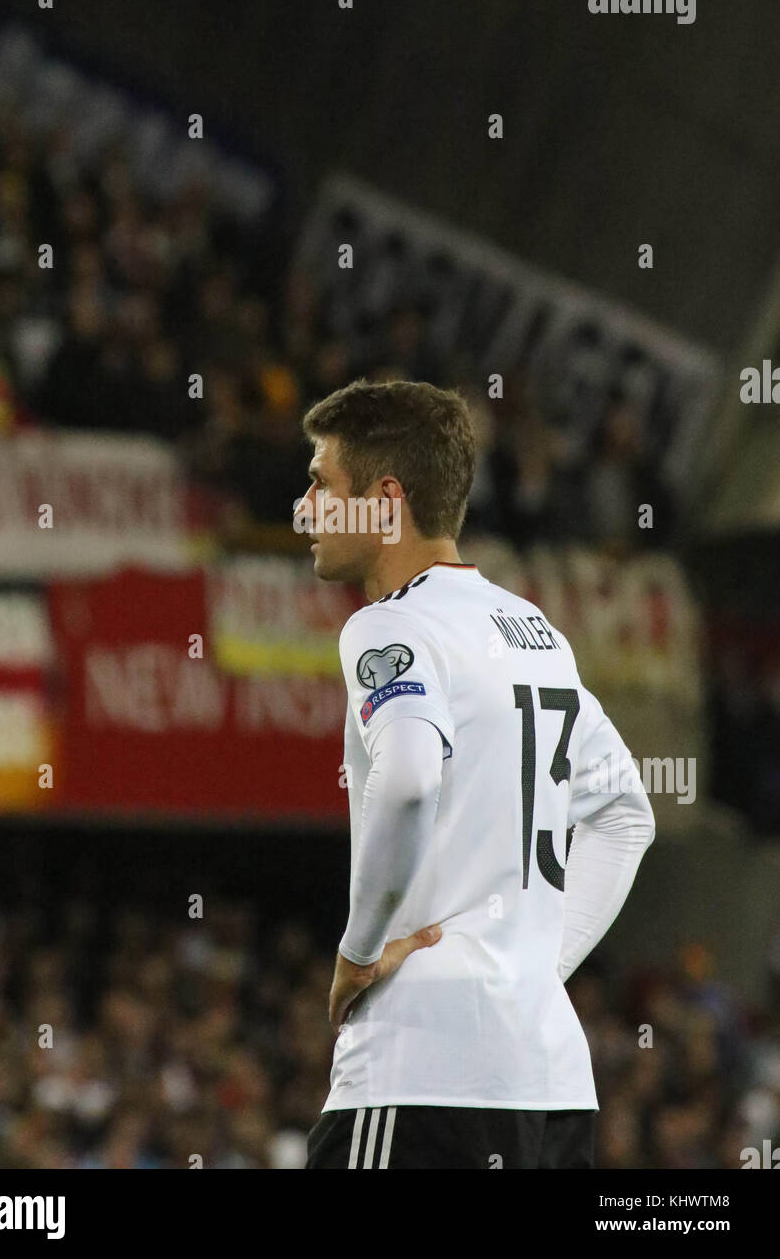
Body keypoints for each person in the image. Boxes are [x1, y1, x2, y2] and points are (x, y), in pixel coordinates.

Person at [297, 379, 656, 1169]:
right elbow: (626, 812)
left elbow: (407, 778)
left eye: (323, 483)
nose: (306, 507)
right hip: (552, 1083)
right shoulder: (534, 635)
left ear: (384, 500)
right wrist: (529, 966)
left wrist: (358, 953)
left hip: (423, 1070)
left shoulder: (388, 627)